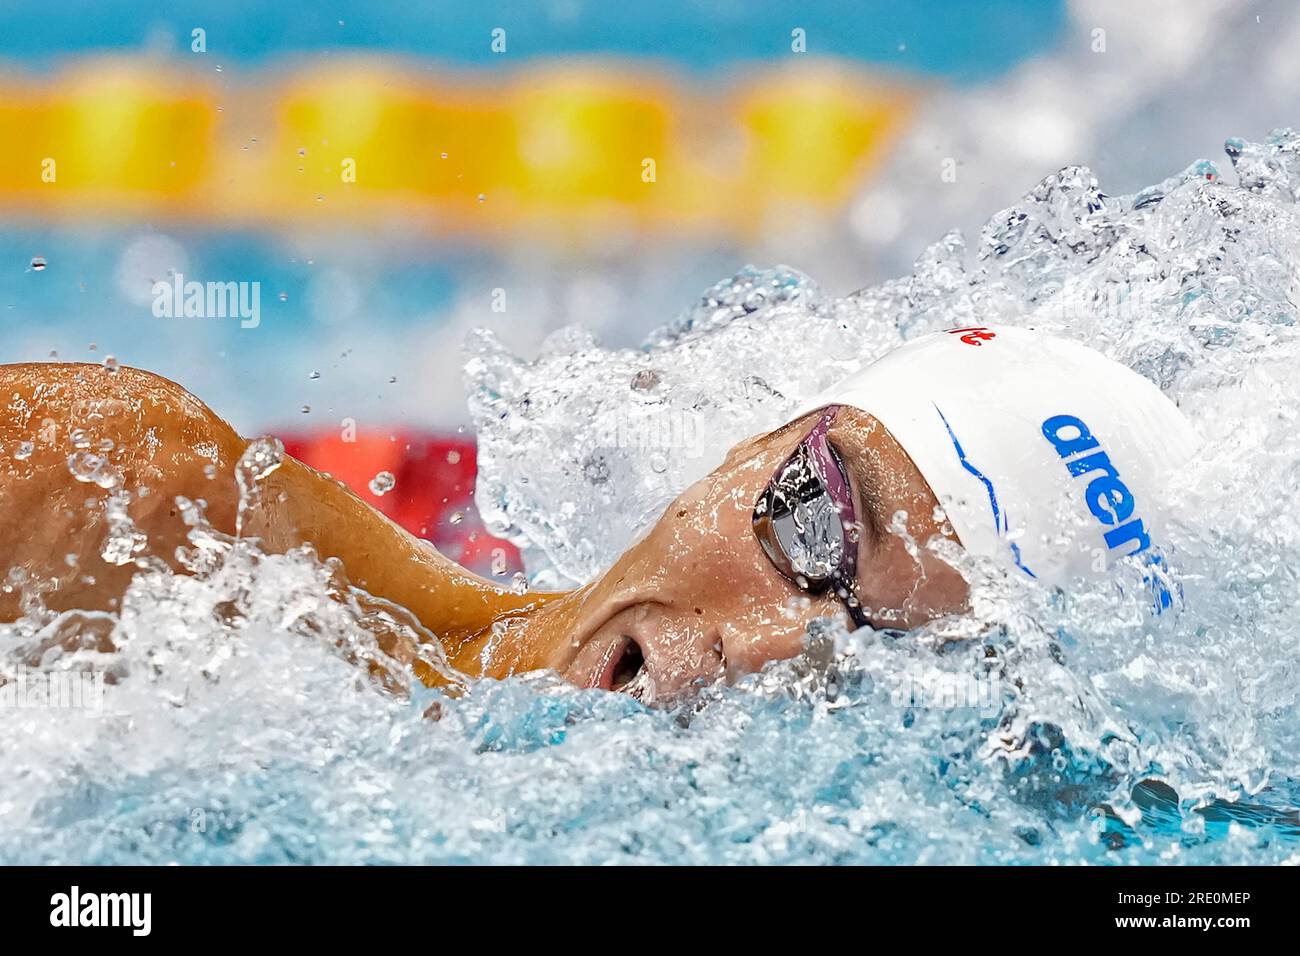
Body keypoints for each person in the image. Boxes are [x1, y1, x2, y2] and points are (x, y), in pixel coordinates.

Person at [0, 325, 1198, 703]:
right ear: (751, 447)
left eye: (885, 649)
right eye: (821, 526)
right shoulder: (125, 505)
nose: (777, 643)